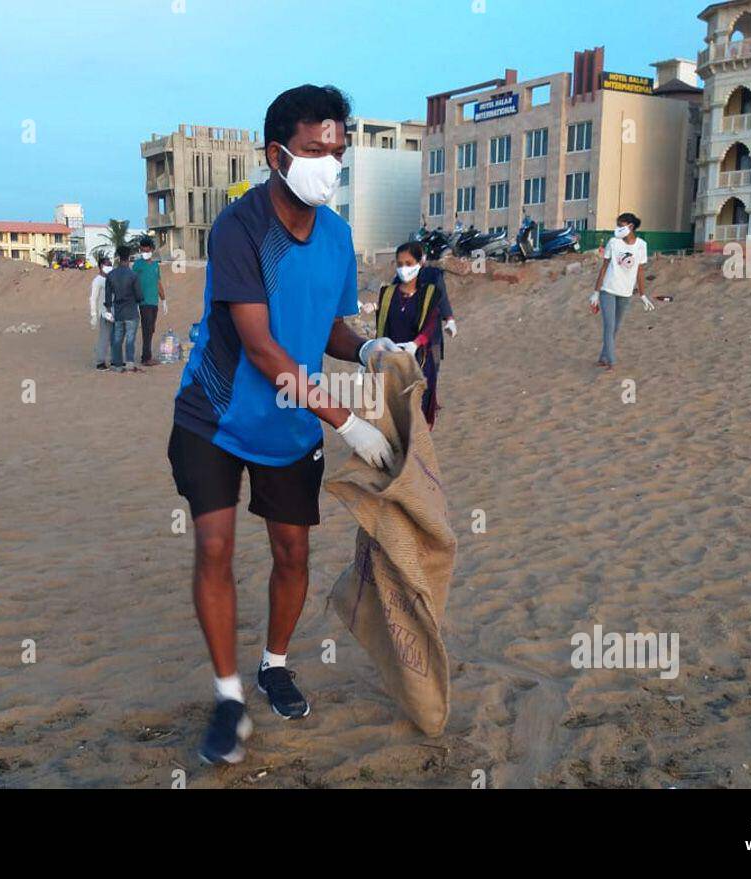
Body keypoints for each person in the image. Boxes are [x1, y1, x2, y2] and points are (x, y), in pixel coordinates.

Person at [169, 83, 401, 765]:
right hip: (214, 415)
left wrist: (367, 347)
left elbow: (325, 321)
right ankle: (230, 697)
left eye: (338, 150)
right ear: (277, 154)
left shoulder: (337, 235)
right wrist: (349, 422)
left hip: (289, 429)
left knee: (292, 554)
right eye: (314, 150)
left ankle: (274, 664)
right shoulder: (239, 230)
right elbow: (264, 348)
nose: (331, 164)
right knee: (214, 546)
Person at [375, 241, 457, 429]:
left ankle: (427, 411)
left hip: (428, 341)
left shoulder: (434, 277)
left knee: (429, 376)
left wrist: (449, 319)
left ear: (422, 261)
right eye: (399, 264)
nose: (404, 269)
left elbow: (441, 298)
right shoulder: (393, 287)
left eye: (409, 263)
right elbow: (386, 316)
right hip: (398, 348)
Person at [589, 212, 654, 371]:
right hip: (608, 290)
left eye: (621, 225)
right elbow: (604, 267)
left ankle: (603, 358)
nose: (618, 228)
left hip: (626, 292)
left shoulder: (641, 245)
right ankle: (611, 361)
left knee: (615, 328)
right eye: (617, 225)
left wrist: (643, 295)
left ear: (630, 226)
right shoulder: (613, 242)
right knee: (609, 326)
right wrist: (596, 292)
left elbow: (640, 271)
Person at [103, 245, 143, 373]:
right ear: (129, 258)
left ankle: (117, 364)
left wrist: (109, 309)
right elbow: (139, 295)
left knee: (117, 338)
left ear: (119, 257)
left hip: (118, 311)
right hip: (131, 311)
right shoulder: (133, 275)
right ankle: (129, 363)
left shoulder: (111, 275)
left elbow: (108, 295)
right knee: (130, 338)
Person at [133, 237, 167, 366]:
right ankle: (146, 358)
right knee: (147, 329)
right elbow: (133, 282)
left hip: (154, 301)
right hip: (143, 302)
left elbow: (158, 282)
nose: (144, 252)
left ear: (151, 250)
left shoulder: (155, 265)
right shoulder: (137, 265)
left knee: (151, 328)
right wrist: (135, 301)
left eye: (146, 250)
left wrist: (163, 299)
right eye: (142, 250)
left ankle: (147, 355)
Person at [89, 255, 114, 369]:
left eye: (110, 264)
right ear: (100, 266)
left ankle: (115, 359)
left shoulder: (112, 278)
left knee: (115, 337)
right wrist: (94, 314)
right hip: (104, 313)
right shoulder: (97, 280)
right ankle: (100, 362)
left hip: (115, 311)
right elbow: (93, 298)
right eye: (107, 265)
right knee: (104, 337)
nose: (109, 266)